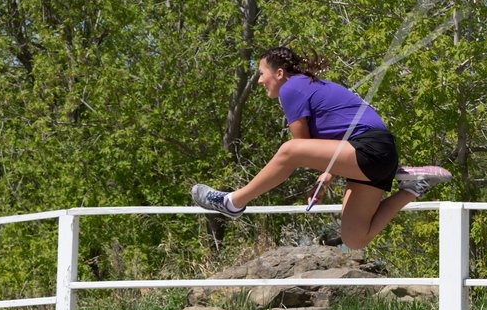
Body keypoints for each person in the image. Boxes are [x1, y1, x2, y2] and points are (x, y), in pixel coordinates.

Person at [191, 46, 451, 249]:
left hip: (370, 149)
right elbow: (330, 146)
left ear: (279, 73)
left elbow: (301, 147)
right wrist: (325, 177)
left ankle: (232, 202)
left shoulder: (291, 88)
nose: (259, 81)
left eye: (261, 73)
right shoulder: (308, 86)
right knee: (355, 239)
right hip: (375, 155)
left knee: (289, 150)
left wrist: (323, 173)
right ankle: (414, 187)